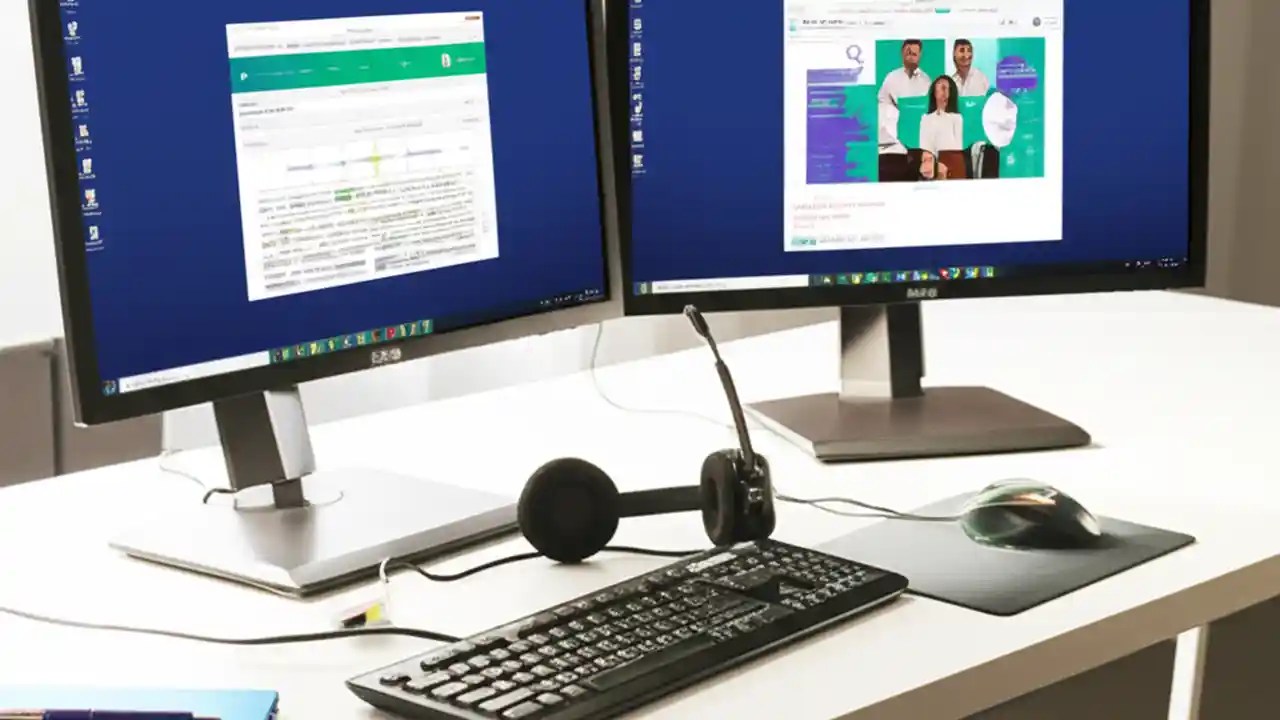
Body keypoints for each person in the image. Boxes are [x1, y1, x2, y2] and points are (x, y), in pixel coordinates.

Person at [877, 39, 931, 154]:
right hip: (895, 135)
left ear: (920, 55)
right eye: (908, 53)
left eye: (914, 54)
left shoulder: (926, 81)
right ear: (902, 53)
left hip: (918, 135)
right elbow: (882, 104)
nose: (911, 57)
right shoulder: (891, 78)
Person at [919, 75, 963, 157]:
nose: (944, 90)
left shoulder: (957, 118)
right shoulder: (926, 118)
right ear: (934, 91)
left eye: (947, 88)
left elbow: (958, 147)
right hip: (931, 159)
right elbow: (924, 146)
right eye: (942, 87)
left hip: (950, 159)